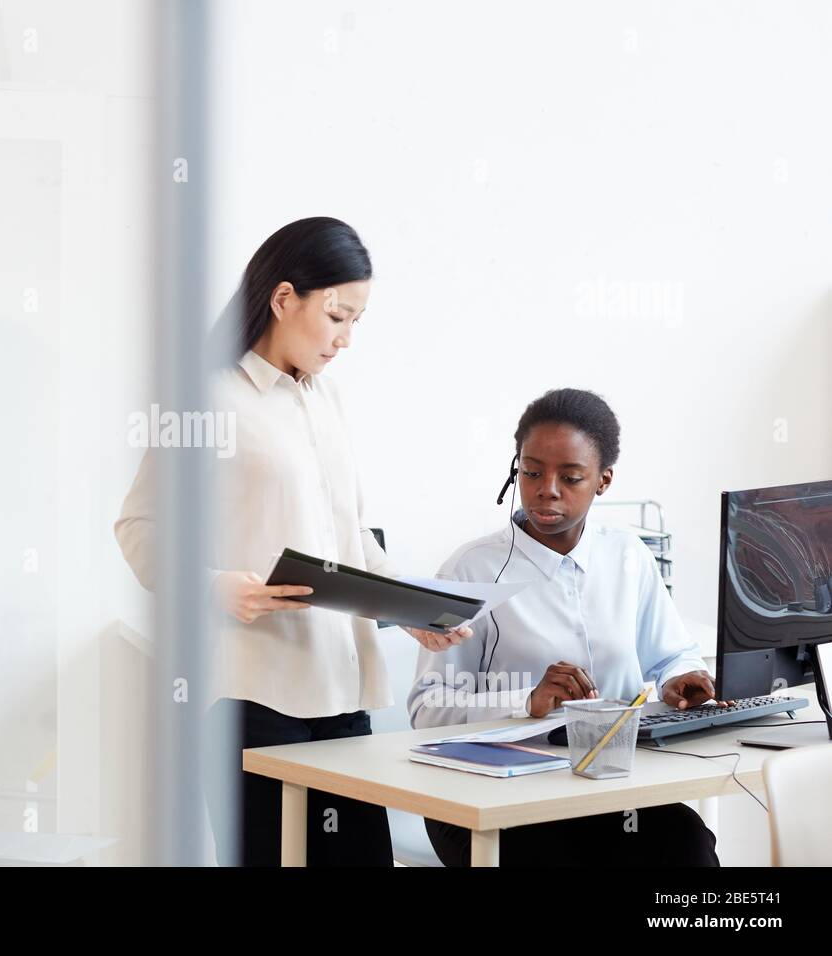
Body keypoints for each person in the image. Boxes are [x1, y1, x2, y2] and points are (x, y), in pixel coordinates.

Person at [115, 217, 468, 865]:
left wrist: (411, 608)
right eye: (338, 316)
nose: (347, 339)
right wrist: (216, 587)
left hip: (339, 687)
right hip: (250, 691)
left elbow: (351, 532)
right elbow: (140, 528)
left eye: (358, 320)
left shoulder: (325, 399)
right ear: (283, 299)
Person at [408, 387, 722, 866]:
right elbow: (426, 708)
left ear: (603, 481)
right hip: (489, 804)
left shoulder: (627, 555)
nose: (546, 489)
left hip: (606, 792)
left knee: (686, 843)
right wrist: (527, 700)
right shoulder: (470, 570)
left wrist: (682, 678)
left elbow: (671, 655)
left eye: (570, 477)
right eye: (531, 472)